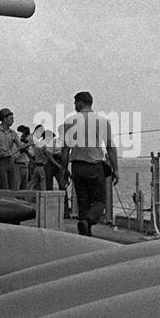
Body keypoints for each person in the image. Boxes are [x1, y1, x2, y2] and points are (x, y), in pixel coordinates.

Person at [59, 91, 118, 236]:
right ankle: (88, 221)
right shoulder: (102, 121)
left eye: (75, 103)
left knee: (82, 200)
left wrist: (64, 169)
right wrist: (116, 169)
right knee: (99, 201)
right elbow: (110, 146)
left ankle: (85, 232)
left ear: (81, 102)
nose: (74, 106)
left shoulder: (70, 122)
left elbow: (65, 149)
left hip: (77, 166)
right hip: (95, 166)